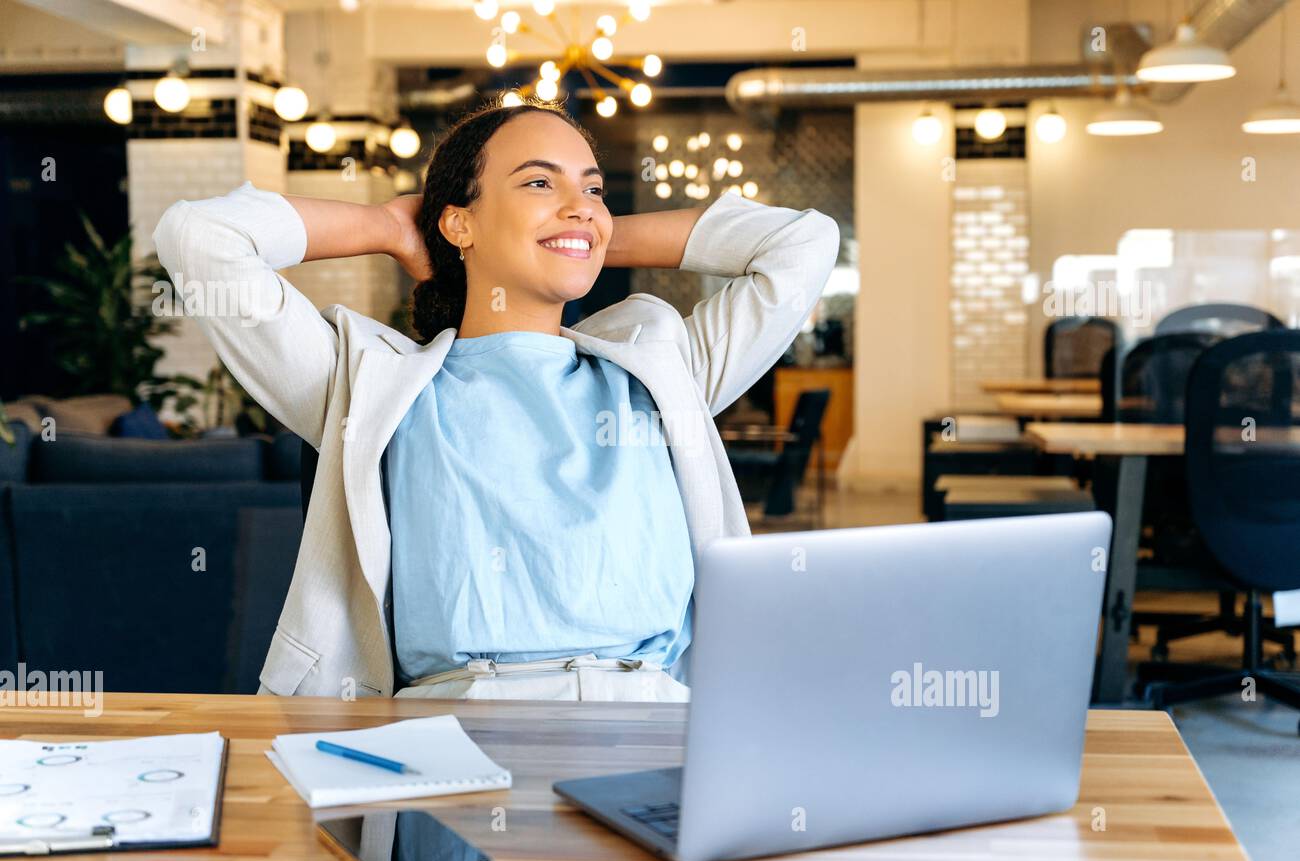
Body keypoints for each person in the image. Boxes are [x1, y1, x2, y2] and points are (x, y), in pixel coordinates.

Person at [152, 96, 839, 702]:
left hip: (654, 724)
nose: (580, 202)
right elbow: (199, 238)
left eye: (592, 188)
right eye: (539, 181)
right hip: (457, 734)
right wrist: (392, 229)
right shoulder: (369, 383)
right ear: (456, 223)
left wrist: (584, 238)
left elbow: (804, 242)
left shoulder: (660, 367)